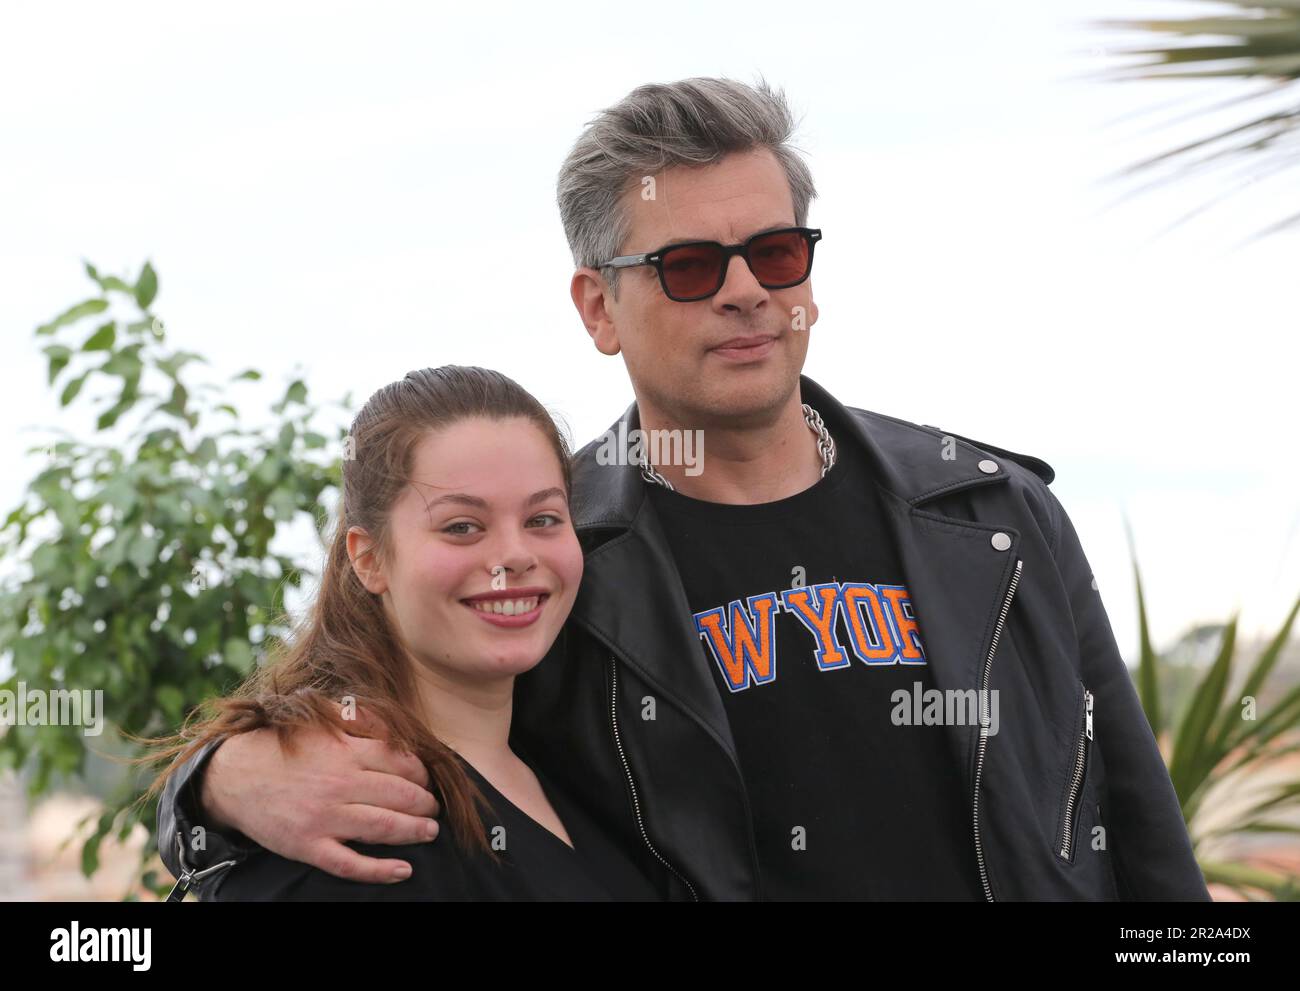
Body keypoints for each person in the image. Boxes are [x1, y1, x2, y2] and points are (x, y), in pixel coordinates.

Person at [158, 76, 1210, 901]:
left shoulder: (991, 514)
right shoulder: (557, 558)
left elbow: (1140, 824)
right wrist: (212, 786)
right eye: (691, 266)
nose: (746, 291)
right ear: (597, 307)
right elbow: (368, 695)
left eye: (776, 252)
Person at [149, 366, 659, 901]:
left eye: (543, 519)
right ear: (369, 559)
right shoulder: (345, 823)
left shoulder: (576, 747)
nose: (515, 555)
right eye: (462, 527)